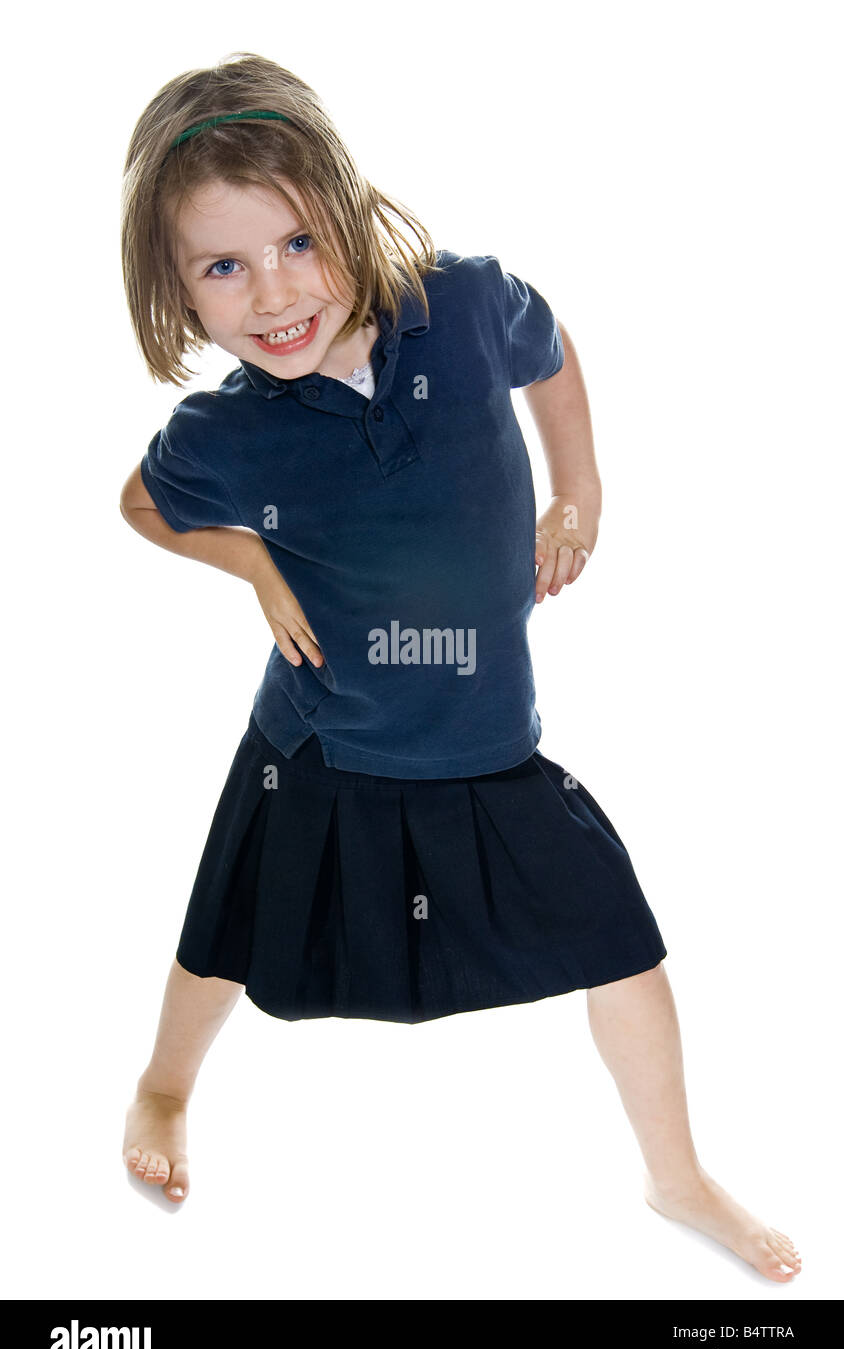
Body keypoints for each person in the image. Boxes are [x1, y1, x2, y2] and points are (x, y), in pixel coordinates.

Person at [118, 52, 800, 1281]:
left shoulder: (469, 305)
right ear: (175, 289)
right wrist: (258, 572)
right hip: (321, 744)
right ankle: (164, 1088)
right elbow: (142, 508)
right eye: (222, 267)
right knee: (223, 936)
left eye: (296, 243)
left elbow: (553, 356)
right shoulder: (225, 429)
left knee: (624, 946)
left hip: (485, 742)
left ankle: (675, 1173)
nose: (273, 293)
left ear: (346, 203)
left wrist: (580, 491)